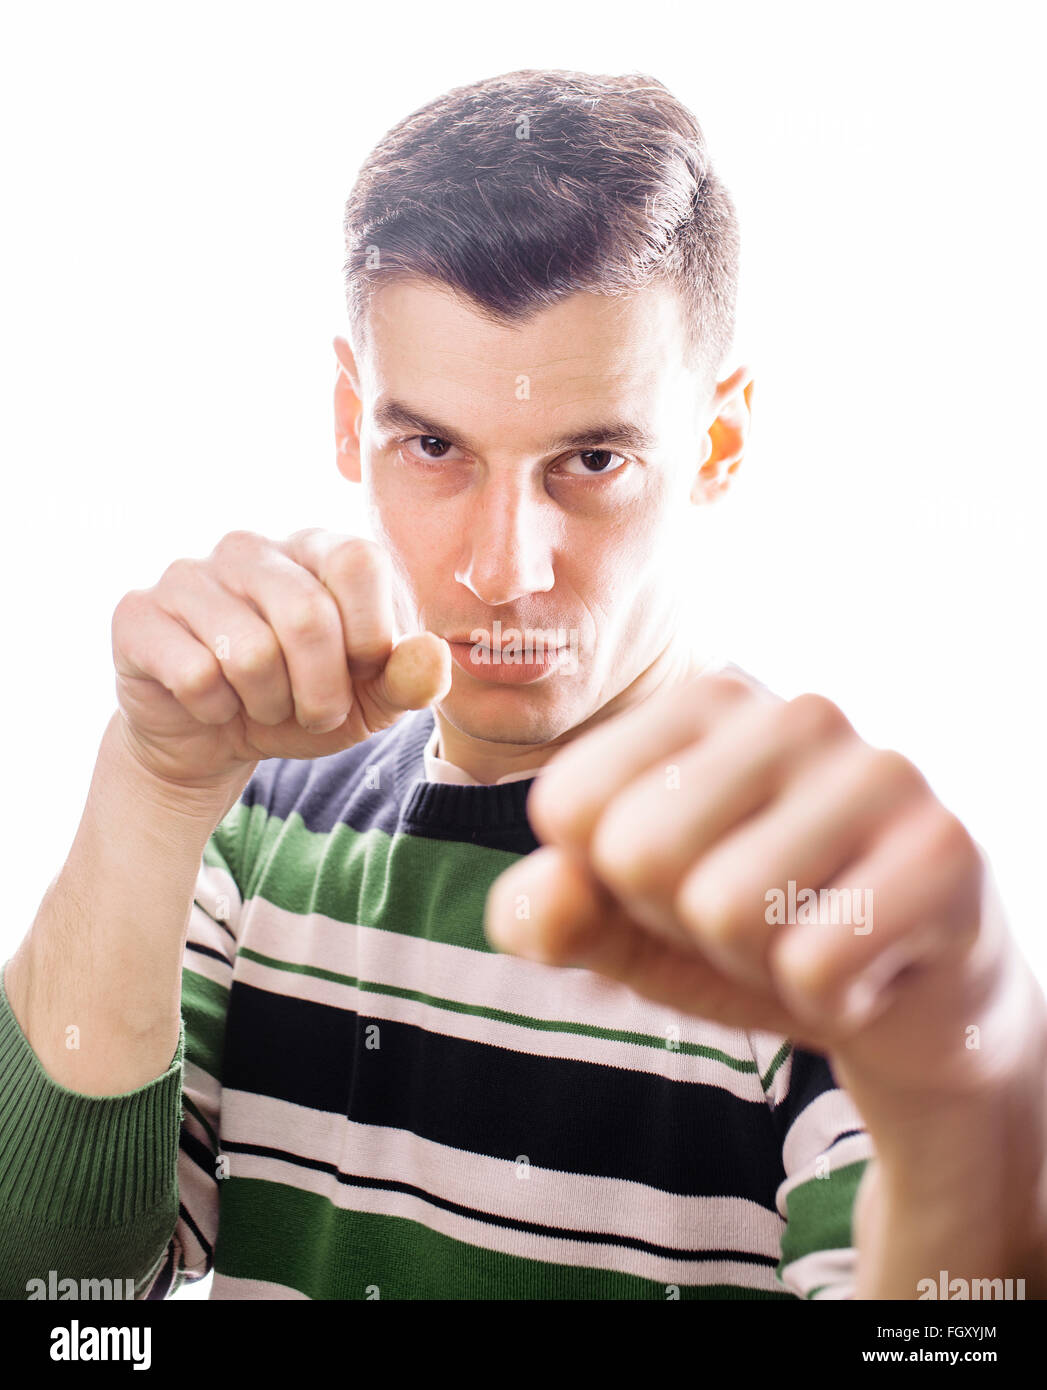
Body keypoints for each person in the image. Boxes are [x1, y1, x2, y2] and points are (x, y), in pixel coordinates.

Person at [2, 68, 1045, 1302]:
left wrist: (968, 1128)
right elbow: (65, 1305)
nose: (504, 570)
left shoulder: (816, 883)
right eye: (433, 446)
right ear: (352, 421)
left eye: (592, 458)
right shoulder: (251, 815)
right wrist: (149, 786)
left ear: (718, 440)